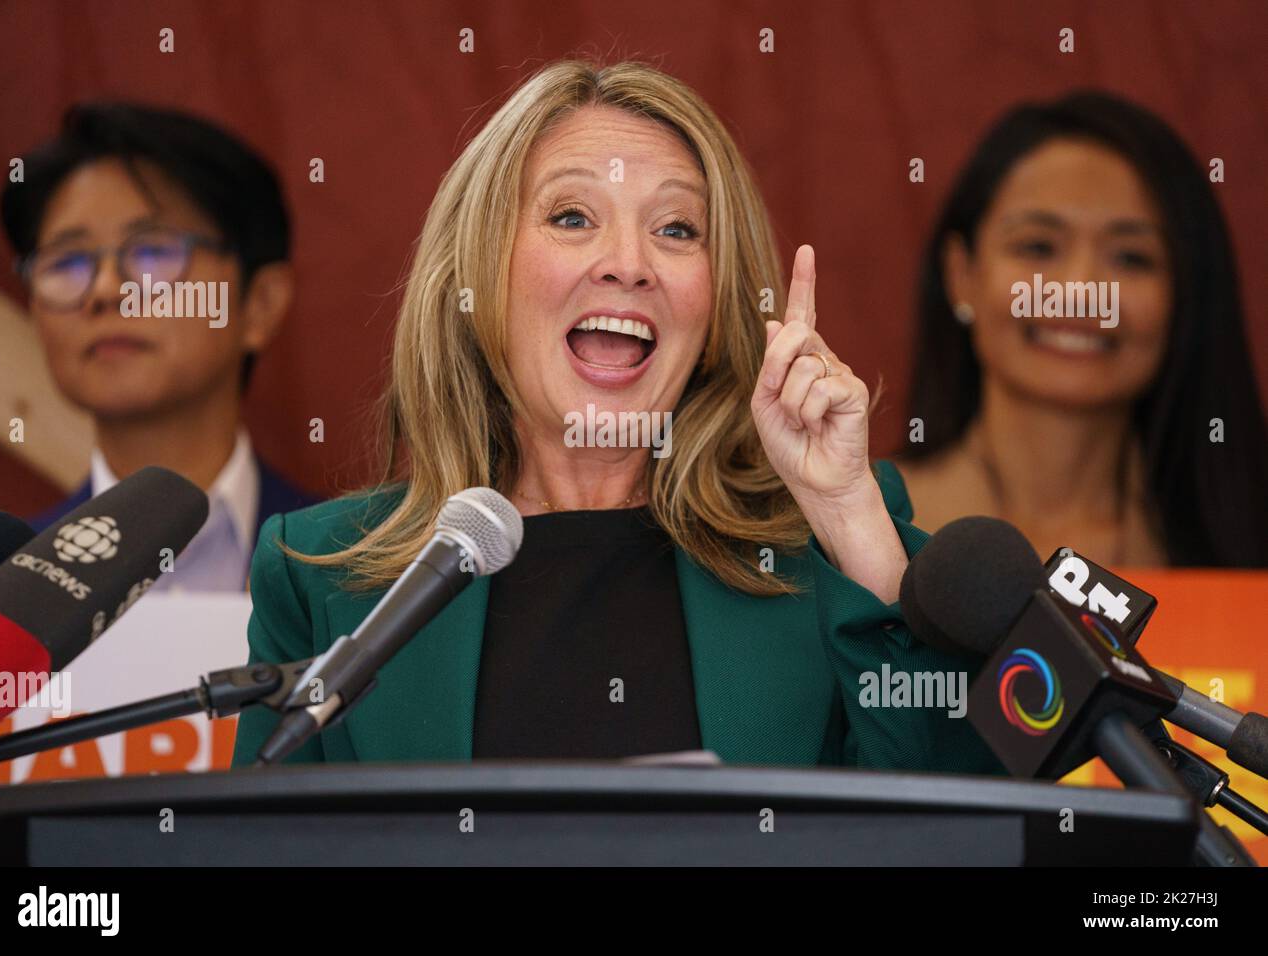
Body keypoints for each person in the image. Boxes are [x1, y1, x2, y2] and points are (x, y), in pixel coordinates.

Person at [232, 60, 999, 770]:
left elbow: (957, 823)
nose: (628, 262)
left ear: (717, 301)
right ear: (475, 274)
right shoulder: (319, 573)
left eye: (676, 229)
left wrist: (843, 511)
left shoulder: (823, 552)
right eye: (571, 217)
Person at [895, 91, 1268, 567]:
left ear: (1185, 294)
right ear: (961, 274)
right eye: (1038, 246)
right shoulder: (856, 525)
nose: (1080, 289)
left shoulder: (1247, 541)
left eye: (1131, 257)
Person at [0, 102, 318, 591]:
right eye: (67, 263)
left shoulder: (352, 565)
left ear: (259, 304)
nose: (107, 290)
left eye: (151, 253)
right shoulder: (3, 586)